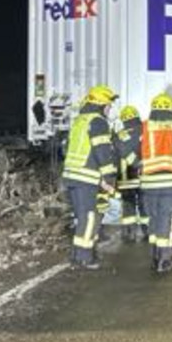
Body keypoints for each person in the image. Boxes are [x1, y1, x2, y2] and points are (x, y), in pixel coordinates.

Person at [62, 84, 119, 269]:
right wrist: (109, 177)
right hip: (85, 177)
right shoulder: (98, 122)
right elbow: (102, 151)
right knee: (89, 217)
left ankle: (77, 256)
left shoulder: (80, 120)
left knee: (82, 217)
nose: (110, 109)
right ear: (101, 104)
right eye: (109, 105)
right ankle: (85, 257)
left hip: (72, 175)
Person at [139, 93, 172, 274]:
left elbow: (130, 150)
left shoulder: (144, 126)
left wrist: (138, 164)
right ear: (170, 109)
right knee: (167, 221)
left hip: (149, 182)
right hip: (171, 183)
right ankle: (165, 260)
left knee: (154, 219)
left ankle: (155, 256)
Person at [114, 105, 146, 242]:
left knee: (128, 205)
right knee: (145, 204)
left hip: (126, 177)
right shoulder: (146, 131)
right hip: (144, 175)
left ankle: (129, 233)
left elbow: (115, 154)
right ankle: (148, 231)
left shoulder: (119, 135)